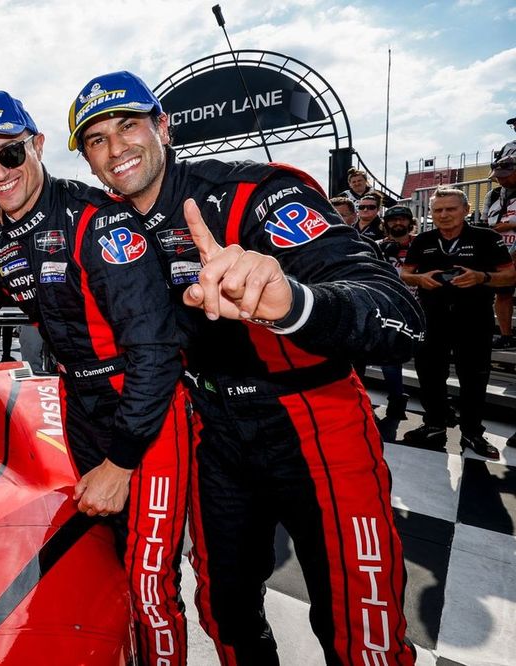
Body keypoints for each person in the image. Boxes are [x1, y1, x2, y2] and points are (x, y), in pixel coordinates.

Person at [69, 70, 421, 665]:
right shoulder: (108, 225)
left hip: (314, 417)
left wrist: (290, 301)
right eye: (97, 139)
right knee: (225, 609)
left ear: (163, 127)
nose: (116, 147)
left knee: (362, 629)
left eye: (128, 126)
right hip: (212, 428)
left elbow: (397, 314)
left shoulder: (255, 193)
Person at [0, 90, 191, 665]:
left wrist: (122, 462)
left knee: (150, 582)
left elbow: (155, 350)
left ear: (38, 145)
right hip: (79, 404)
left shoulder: (97, 217)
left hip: (145, 405)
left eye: (10, 154)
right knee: (108, 558)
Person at [400, 188, 515, 460]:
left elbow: (510, 275)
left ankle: (472, 432)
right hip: (432, 317)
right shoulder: (423, 240)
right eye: (438, 210)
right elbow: (405, 273)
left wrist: (481, 277)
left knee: (474, 377)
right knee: (429, 374)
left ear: (466, 210)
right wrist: (420, 279)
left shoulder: (486, 238)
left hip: (474, 319)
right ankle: (434, 424)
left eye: (450, 209)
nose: (444, 215)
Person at [375, 205, 419, 435]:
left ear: (411, 222)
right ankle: (396, 399)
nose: (398, 223)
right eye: (393, 220)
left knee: (427, 360)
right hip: (390, 307)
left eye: (402, 219)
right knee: (389, 356)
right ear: (385, 224)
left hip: (422, 306)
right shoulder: (377, 246)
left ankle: (438, 409)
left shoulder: (421, 244)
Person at [483, 140, 516, 349]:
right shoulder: (493, 195)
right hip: (501, 253)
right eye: (498, 176)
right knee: (502, 293)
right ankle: (506, 335)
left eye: (505, 175)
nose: (501, 180)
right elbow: (485, 223)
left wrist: (510, 225)